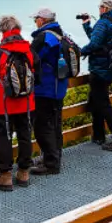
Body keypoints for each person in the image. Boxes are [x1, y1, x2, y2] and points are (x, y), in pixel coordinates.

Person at [0, 16, 37, 189]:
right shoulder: (30, 51)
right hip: (27, 103)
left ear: (2, 31)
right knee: (25, 136)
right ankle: (23, 173)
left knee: (4, 139)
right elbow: (39, 77)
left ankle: (5, 176)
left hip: (3, 105)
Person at [80, 0, 112, 152]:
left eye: (100, 6)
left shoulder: (103, 22)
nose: (99, 9)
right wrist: (87, 25)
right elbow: (98, 40)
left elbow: (94, 44)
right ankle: (99, 135)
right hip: (110, 66)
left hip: (99, 68)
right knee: (96, 101)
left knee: (103, 104)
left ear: (105, 8)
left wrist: (79, 52)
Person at [28, 10, 68, 174]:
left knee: (42, 125)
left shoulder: (44, 37)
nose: (35, 22)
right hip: (59, 87)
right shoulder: (61, 34)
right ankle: (54, 156)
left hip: (45, 88)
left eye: (36, 19)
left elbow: (31, 58)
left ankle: (51, 163)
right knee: (55, 123)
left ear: (42, 20)